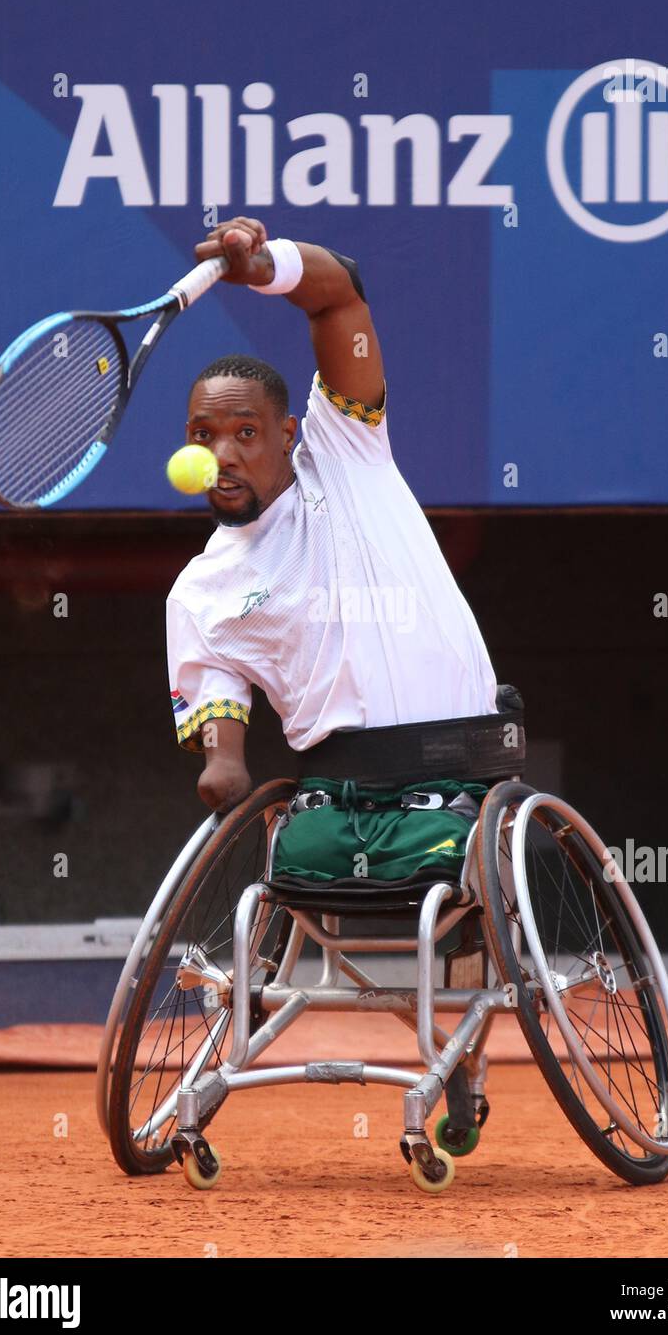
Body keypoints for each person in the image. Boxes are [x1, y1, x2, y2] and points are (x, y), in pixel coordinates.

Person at [166, 217, 500, 882]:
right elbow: (218, 712)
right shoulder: (200, 592)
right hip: (335, 800)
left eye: (246, 432)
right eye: (204, 435)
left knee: (452, 878)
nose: (221, 455)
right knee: (284, 870)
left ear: (287, 433)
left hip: (461, 772)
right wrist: (222, 764)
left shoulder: (347, 446)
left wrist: (267, 267)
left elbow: (340, 296)